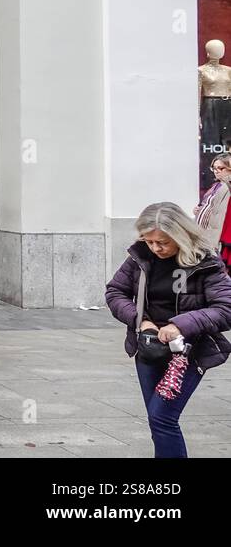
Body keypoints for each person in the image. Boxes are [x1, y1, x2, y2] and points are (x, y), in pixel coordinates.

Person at [105, 201, 231, 458]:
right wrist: (140, 320)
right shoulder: (140, 256)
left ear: (180, 235)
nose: (156, 248)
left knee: (163, 418)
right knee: (156, 419)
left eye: (162, 242)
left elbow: (226, 308)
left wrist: (180, 324)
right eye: (150, 241)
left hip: (188, 351)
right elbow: (115, 291)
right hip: (149, 347)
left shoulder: (205, 261)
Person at [194, 153, 231, 263]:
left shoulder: (227, 184)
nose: (216, 171)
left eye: (221, 168)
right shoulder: (217, 184)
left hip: (215, 235)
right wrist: (199, 210)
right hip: (204, 232)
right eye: (214, 168)